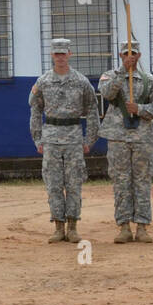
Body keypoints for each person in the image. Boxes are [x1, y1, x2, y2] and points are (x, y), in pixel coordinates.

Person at [30, 38, 100, 243]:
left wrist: (90, 139)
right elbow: (35, 110)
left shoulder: (81, 81)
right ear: (52, 55)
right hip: (51, 137)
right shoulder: (43, 81)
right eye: (56, 53)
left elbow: (93, 110)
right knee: (53, 184)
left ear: (70, 54)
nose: (60, 57)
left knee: (74, 183)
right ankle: (58, 227)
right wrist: (37, 139)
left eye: (63, 53)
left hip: (73, 137)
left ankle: (73, 226)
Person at [99, 40, 153, 243]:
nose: (130, 57)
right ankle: (124, 226)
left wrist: (141, 109)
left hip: (142, 138)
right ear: (120, 56)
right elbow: (107, 93)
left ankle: (142, 226)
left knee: (142, 182)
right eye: (126, 53)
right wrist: (122, 72)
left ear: (139, 56)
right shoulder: (110, 75)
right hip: (118, 137)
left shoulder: (149, 80)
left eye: (134, 53)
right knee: (121, 182)